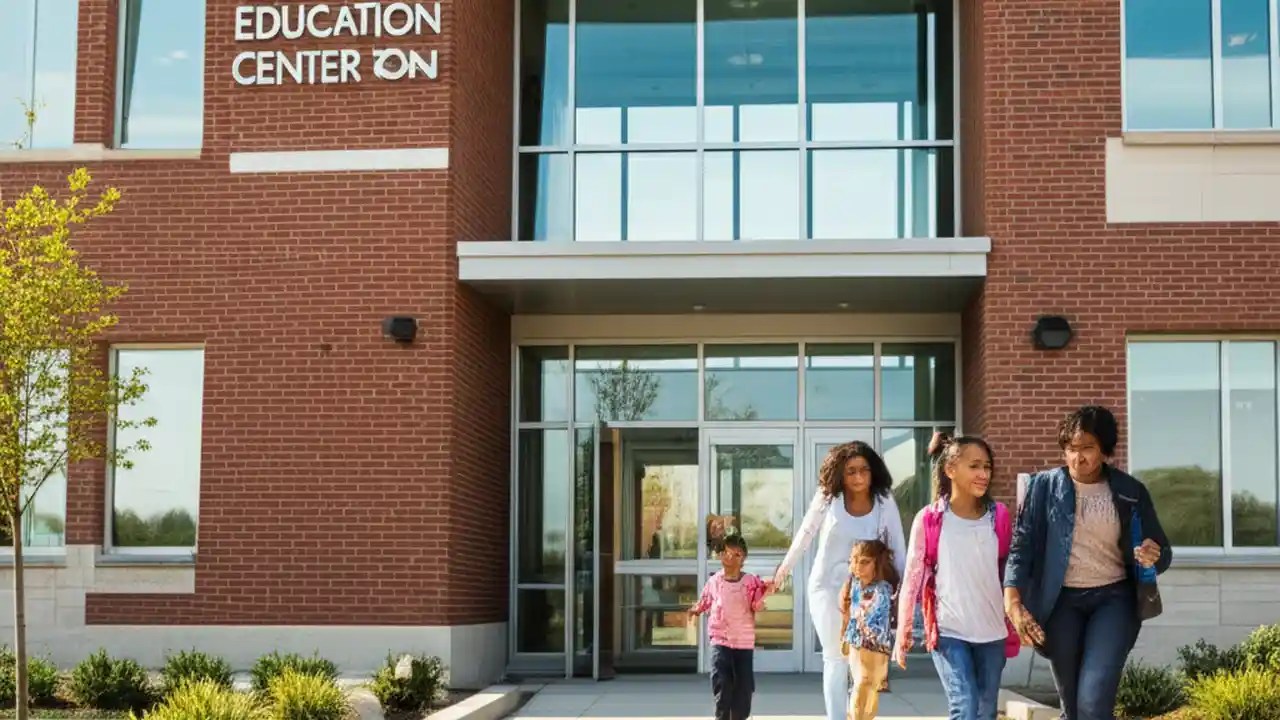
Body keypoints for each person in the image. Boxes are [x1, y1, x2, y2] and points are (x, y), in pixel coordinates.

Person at [1003, 405, 1172, 720]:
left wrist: (1153, 554)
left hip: (1114, 600)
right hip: (1061, 603)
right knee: (1072, 708)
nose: (1077, 458)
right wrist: (1013, 603)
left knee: (1093, 702)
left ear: (1105, 450)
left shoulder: (1130, 491)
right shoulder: (1042, 488)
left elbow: (1162, 551)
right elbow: (1020, 548)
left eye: (1087, 449)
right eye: (1070, 448)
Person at [772, 441, 907, 720]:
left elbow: (898, 546)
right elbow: (806, 533)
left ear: (873, 472)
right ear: (840, 474)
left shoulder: (884, 501)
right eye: (851, 471)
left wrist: (906, 595)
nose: (858, 477)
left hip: (867, 594)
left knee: (863, 662)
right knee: (836, 656)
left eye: (864, 470)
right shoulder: (828, 498)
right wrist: (782, 571)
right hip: (826, 587)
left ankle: (857, 714)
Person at [893, 433, 1017, 720]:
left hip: (992, 632)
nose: (983, 474)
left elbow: (1010, 571)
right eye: (974, 466)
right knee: (965, 706)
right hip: (949, 631)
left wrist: (1019, 614)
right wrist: (903, 631)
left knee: (985, 711)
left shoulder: (998, 516)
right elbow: (912, 577)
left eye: (987, 467)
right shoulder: (930, 519)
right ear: (950, 469)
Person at [689, 534, 773, 720]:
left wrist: (765, 592)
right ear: (720, 556)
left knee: (743, 690)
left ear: (743, 559)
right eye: (727, 553)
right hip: (720, 640)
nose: (731, 558)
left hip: (743, 643)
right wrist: (696, 609)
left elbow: (757, 604)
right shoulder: (715, 581)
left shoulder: (750, 582)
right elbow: (705, 600)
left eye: (737, 554)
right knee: (722, 683)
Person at [839, 540, 898, 720]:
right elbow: (847, 612)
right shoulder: (853, 584)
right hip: (857, 641)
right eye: (854, 560)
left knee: (872, 688)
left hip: (879, 645)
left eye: (864, 562)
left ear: (877, 563)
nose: (857, 566)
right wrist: (843, 634)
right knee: (861, 681)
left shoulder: (885, 588)